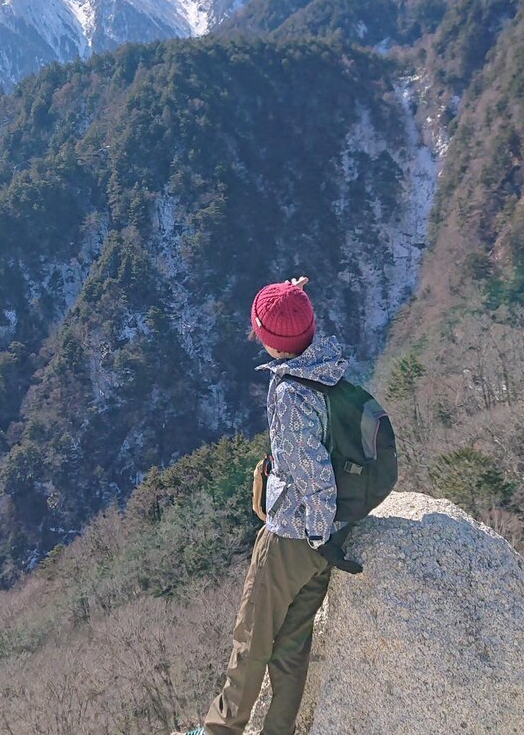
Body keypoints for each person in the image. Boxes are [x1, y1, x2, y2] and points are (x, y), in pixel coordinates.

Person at [177, 276, 355, 735]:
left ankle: (221, 729)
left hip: (293, 536)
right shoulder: (328, 363)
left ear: (272, 344)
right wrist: (329, 536)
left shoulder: (289, 393)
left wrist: (316, 531)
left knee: (251, 639)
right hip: (328, 535)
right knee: (293, 645)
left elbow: (310, 469)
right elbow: (292, 319)